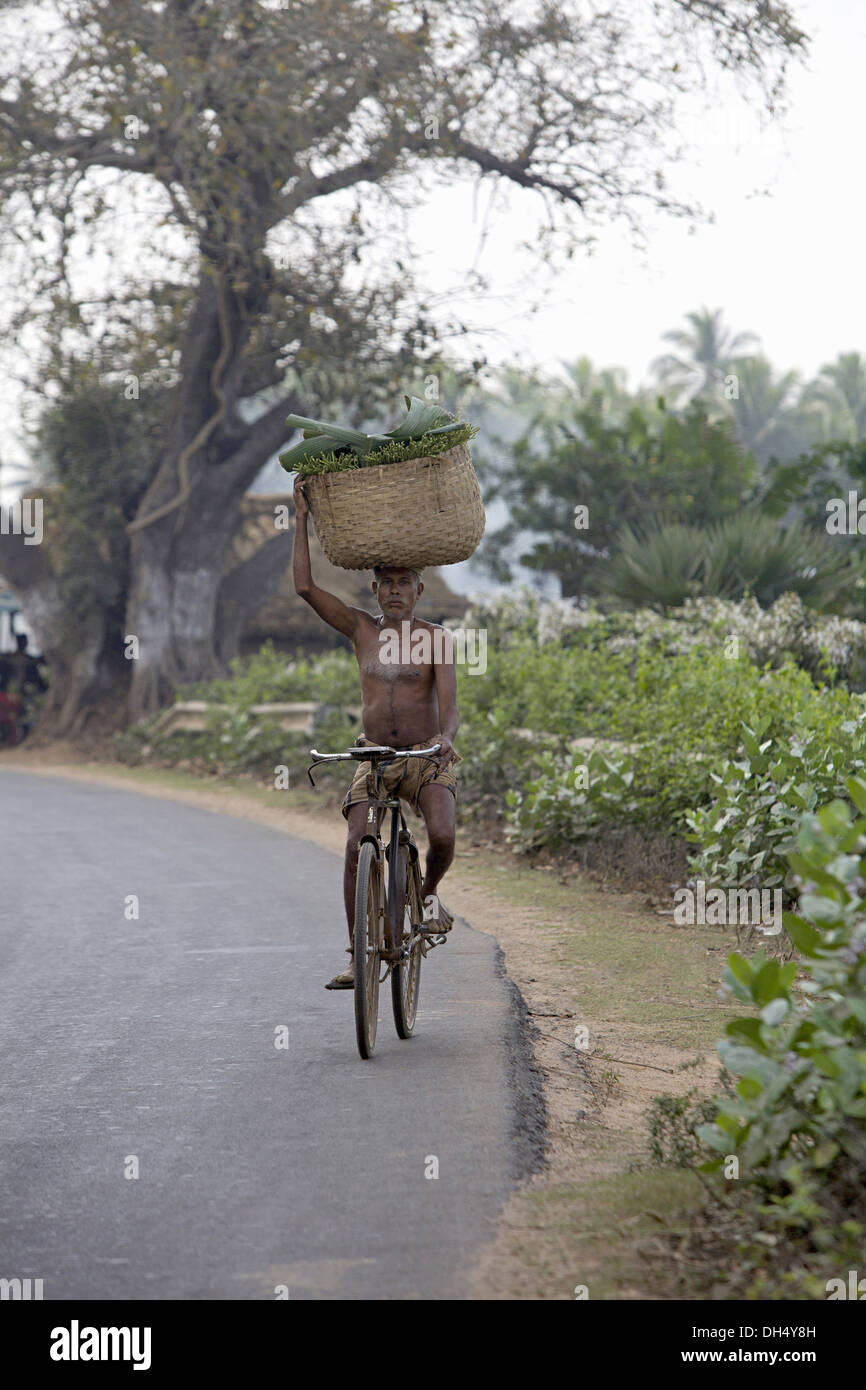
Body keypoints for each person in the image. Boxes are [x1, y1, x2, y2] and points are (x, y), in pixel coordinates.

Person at [292, 477, 459, 990]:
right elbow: (305, 587)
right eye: (385, 583)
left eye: (403, 583)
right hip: (375, 758)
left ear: (419, 590)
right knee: (354, 845)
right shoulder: (361, 628)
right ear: (374, 590)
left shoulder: (438, 640)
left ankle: (427, 895)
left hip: (426, 755)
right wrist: (300, 518)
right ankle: (356, 955)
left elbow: (450, 710)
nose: (394, 591)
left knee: (443, 835)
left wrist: (447, 740)